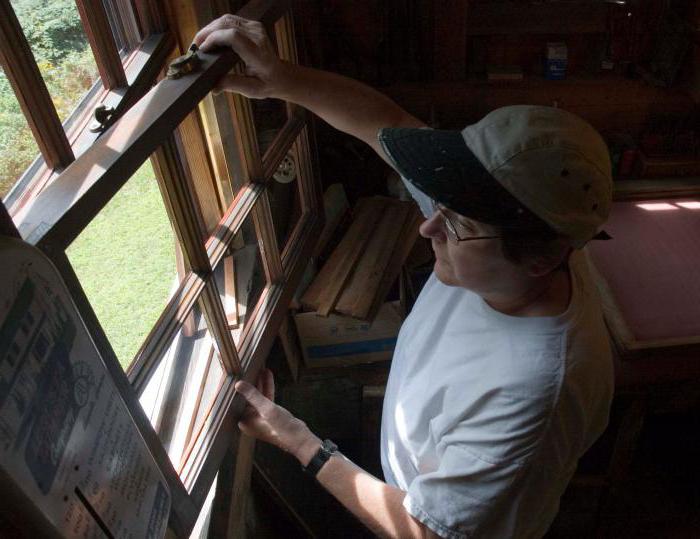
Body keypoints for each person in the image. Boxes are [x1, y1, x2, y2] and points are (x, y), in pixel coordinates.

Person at [193, 15, 614, 539]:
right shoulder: (520, 225)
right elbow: (381, 122)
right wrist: (280, 79)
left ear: (538, 260)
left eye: (457, 225)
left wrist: (298, 440)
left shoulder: (529, 393)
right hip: (422, 476)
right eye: (442, 204)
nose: (426, 224)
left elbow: (427, 530)